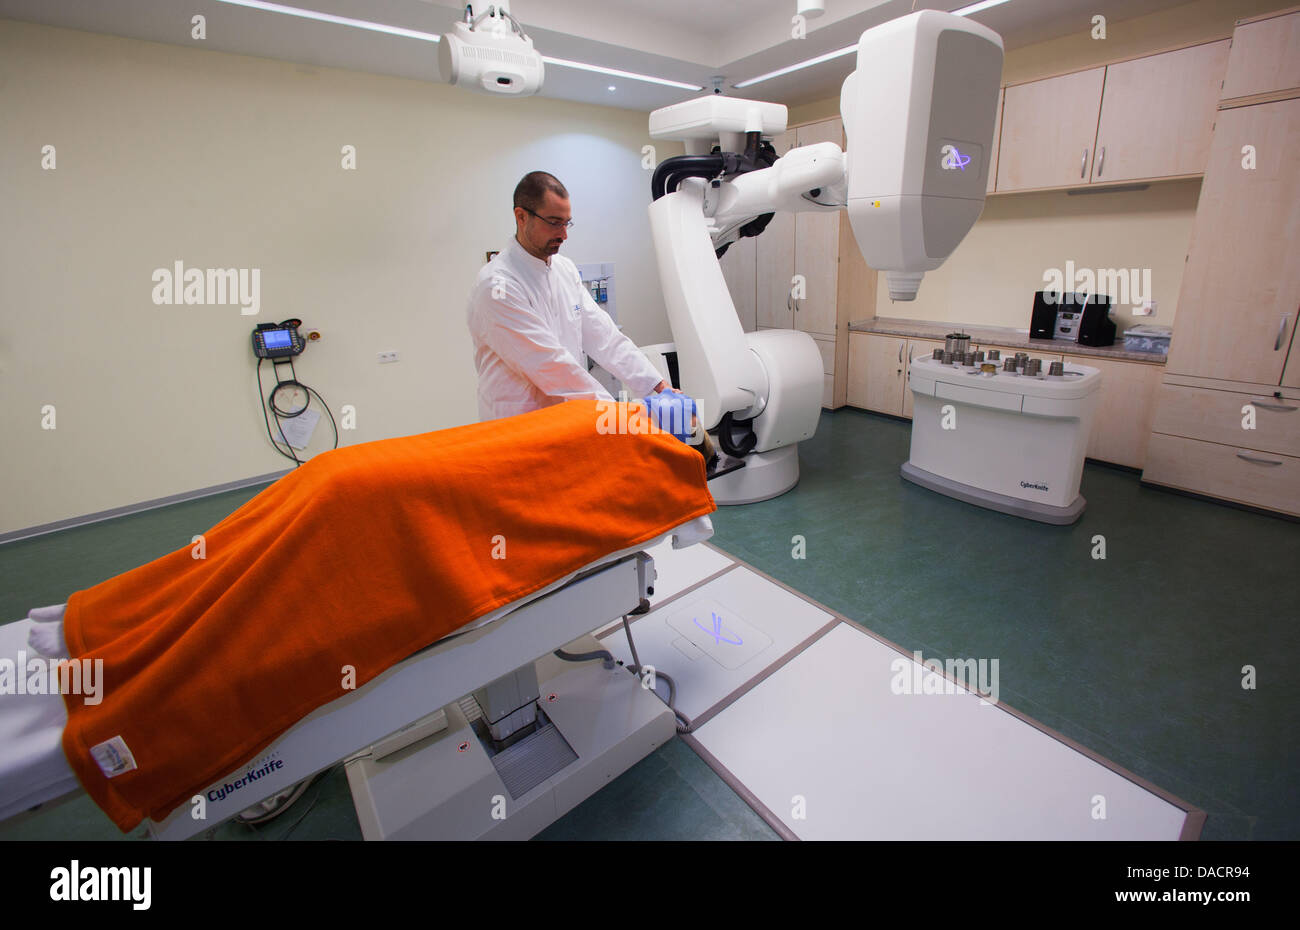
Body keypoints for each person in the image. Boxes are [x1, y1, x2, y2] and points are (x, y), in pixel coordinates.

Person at [466, 171, 672, 421]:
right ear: (521, 216)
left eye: (567, 223)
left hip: (566, 420)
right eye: (554, 222)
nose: (564, 234)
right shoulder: (497, 286)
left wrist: (658, 387)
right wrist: (625, 416)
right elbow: (551, 365)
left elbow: (605, 337)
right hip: (518, 425)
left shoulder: (564, 269)